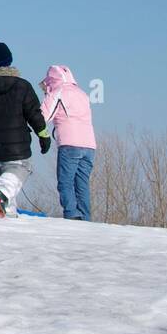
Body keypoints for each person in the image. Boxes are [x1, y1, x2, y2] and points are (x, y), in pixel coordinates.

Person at [0, 42, 50, 217]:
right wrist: (43, 135)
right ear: (9, 60)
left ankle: (5, 214)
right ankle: (1, 192)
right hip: (17, 148)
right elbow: (34, 114)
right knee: (19, 169)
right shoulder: (22, 86)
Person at [39, 64, 97, 221]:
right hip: (89, 145)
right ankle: (85, 217)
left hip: (70, 144)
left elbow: (43, 117)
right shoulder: (83, 94)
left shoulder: (58, 92)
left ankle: (71, 215)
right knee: (82, 184)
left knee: (65, 182)